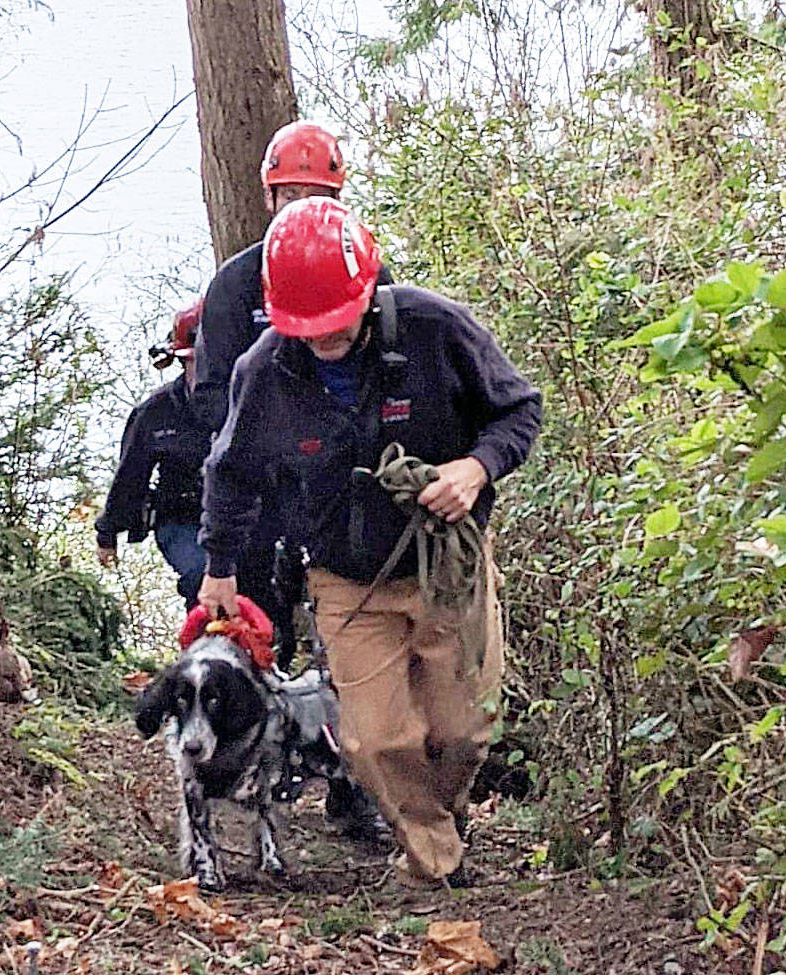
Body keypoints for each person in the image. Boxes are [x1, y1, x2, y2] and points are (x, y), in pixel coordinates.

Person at [197, 198, 543, 888]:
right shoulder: (265, 371)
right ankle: (433, 863)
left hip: (448, 564)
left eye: (334, 322)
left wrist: (474, 470)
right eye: (306, 327)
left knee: (463, 731)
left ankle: (437, 816)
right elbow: (230, 472)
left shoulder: (433, 327)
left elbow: (518, 410)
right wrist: (219, 566)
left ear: (367, 293)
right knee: (374, 739)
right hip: (345, 576)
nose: (322, 337)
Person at [191, 121, 393, 667]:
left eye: (316, 195)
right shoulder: (236, 285)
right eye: (291, 194)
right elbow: (211, 392)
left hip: (342, 472)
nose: (301, 205)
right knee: (255, 594)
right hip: (263, 473)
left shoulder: (366, 270)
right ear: (270, 196)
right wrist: (264, 444)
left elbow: (390, 368)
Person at [94, 300, 211, 607]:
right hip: (184, 522)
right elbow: (130, 476)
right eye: (198, 362)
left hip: (247, 517)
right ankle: (202, 648)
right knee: (202, 578)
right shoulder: (155, 413)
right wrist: (108, 531)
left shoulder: (254, 400)